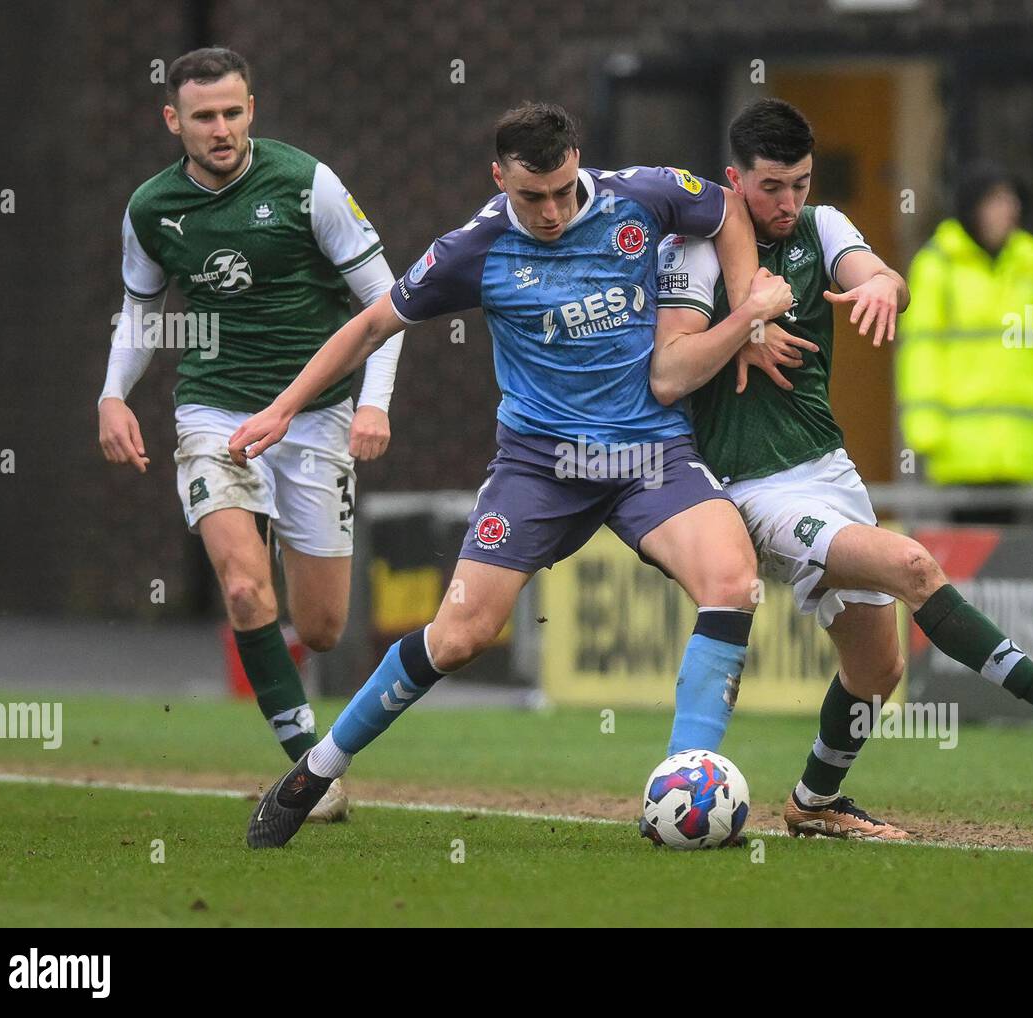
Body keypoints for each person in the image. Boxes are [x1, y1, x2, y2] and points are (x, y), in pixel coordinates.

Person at [231, 102, 804, 849]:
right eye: (532, 196)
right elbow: (373, 323)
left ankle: (681, 786)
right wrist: (284, 408)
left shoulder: (643, 193)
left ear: (578, 165)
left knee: (732, 582)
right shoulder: (474, 249)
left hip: (648, 455)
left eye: (564, 190)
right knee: (459, 635)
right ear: (499, 178)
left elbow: (726, 208)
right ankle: (313, 772)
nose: (553, 210)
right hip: (540, 466)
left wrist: (749, 310)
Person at [654, 99, 1033, 841]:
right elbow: (669, 373)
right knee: (915, 564)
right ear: (734, 179)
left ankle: (815, 802)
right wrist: (742, 326)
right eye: (772, 187)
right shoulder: (693, 251)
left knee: (877, 669)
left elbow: (877, 274)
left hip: (829, 471)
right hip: (754, 487)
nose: (789, 202)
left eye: (802, 183)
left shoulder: (822, 227)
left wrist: (886, 284)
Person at [96, 47, 408, 823]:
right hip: (216, 412)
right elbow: (141, 310)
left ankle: (270, 540)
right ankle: (312, 773)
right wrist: (112, 394)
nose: (222, 128)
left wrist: (375, 404)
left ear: (252, 110)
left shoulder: (308, 182)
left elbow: (390, 303)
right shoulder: (150, 208)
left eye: (233, 112)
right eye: (204, 116)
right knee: (241, 587)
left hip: (319, 415)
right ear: (175, 121)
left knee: (324, 628)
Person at [896, 162, 1033, 521]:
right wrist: (924, 429)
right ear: (973, 207)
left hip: (1024, 445)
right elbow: (922, 350)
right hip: (959, 447)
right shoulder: (939, 265)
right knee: (966, 553)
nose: (1009, 209)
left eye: (1011, 200)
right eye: (997, 200)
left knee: (1021, 561)